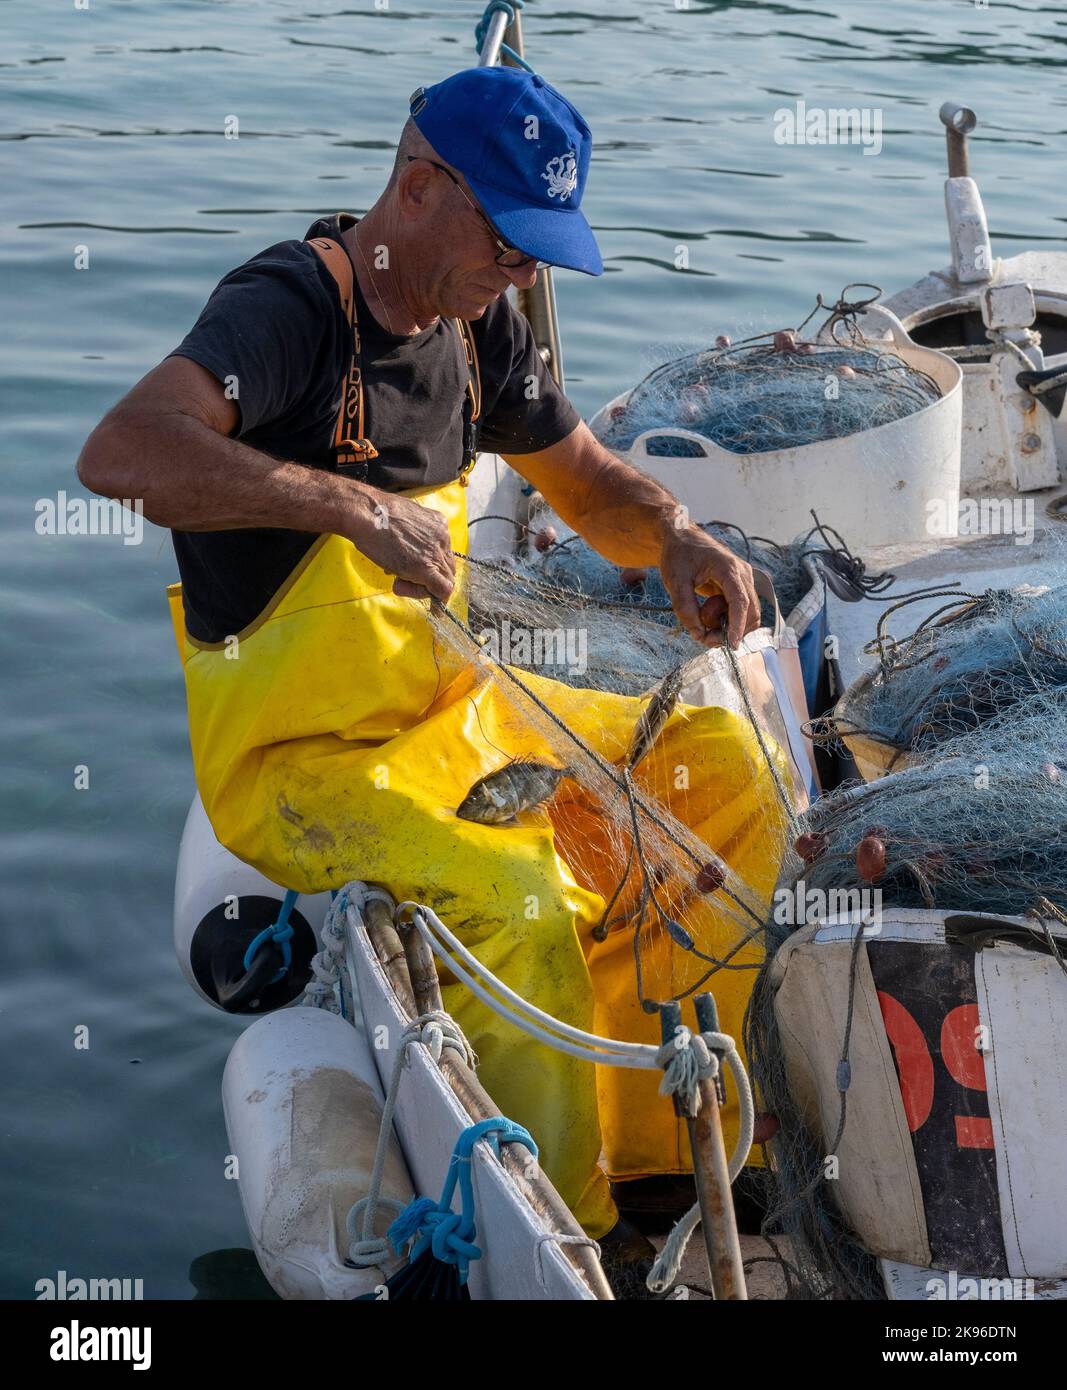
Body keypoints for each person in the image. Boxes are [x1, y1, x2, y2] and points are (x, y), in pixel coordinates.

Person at [78, 65, 767, 1278]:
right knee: (513, 897)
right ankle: (571, 1233)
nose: (523, 276)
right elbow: (121, 452)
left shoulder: (479, 321)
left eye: (535, 252)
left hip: (449, 714)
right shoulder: (289, 309)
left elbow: (585, 479)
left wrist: (673, 534)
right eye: (508, 242)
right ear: (417, 187)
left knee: (718, 766)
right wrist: (344, 506)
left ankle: (675, 1144)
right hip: (306, 760)